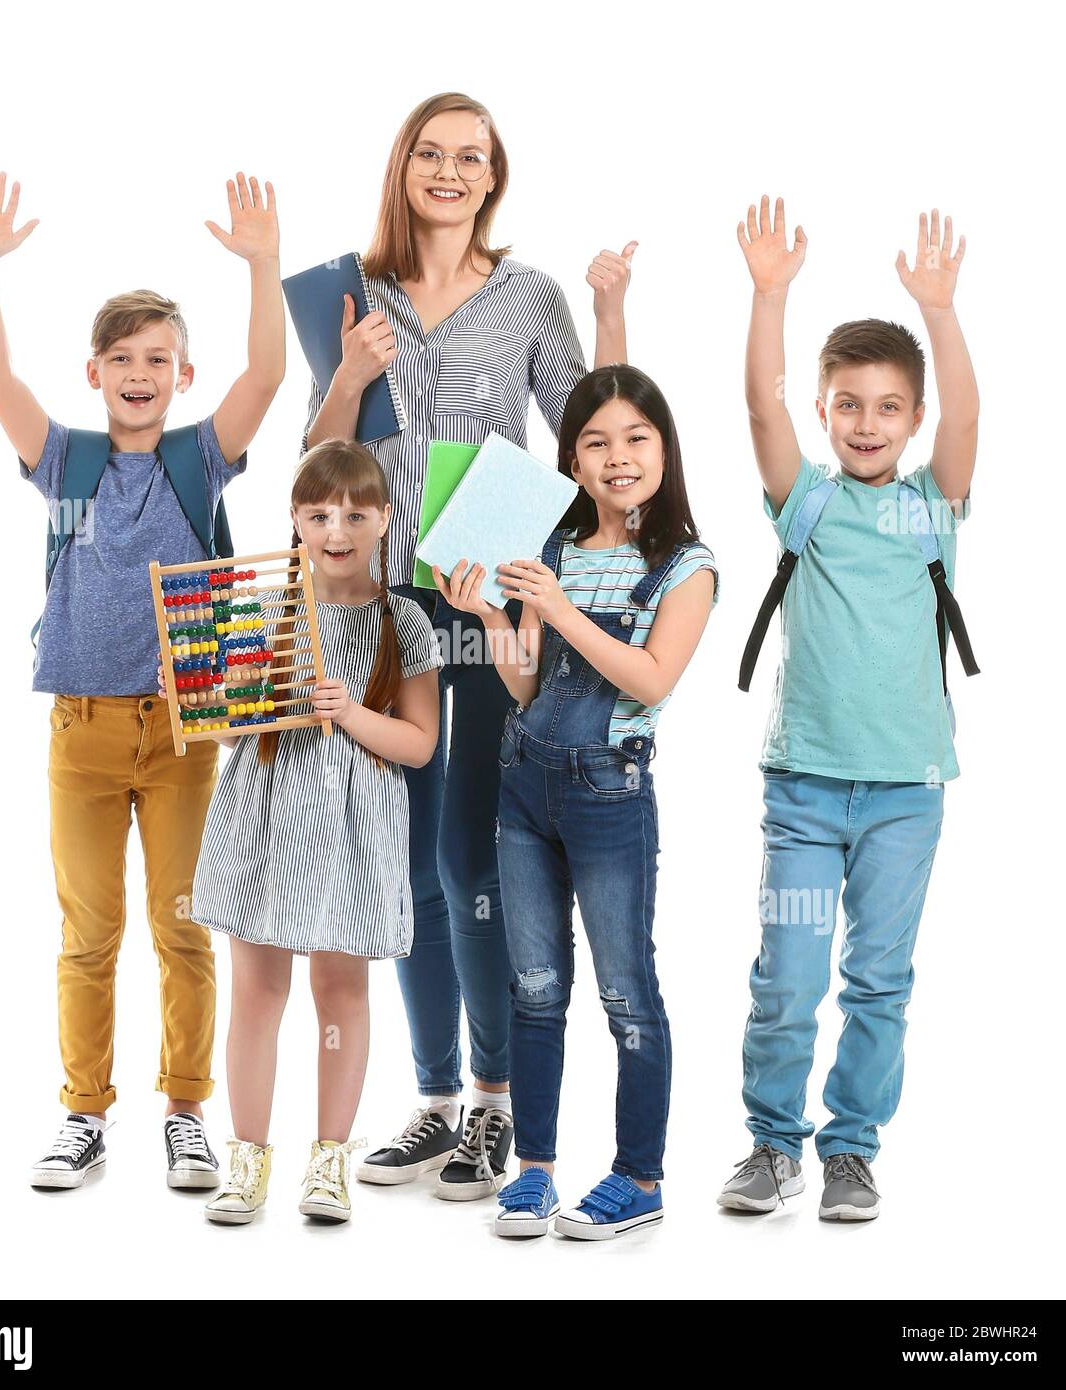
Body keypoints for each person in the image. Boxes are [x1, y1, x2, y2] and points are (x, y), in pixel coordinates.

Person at [305, 91, 637, 1198]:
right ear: (405, 169)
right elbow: (321, 467)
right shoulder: (356, 292)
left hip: (491, 604)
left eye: (472, 158)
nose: (450, 172)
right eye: (431, 155)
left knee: (474, 856)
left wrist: (609, 305)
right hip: (386, 608)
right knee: (404, 869)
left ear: (495, 176)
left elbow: (599, 426)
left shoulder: (530, 295)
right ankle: (435, 1097)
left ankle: (495, 1104)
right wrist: (352, 371)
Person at [0, 171, 286, 1191]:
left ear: (184, 376)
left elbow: (270, 375)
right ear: (96, 372)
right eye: (122, 359)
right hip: (84, 733)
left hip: (186, 730)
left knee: (183, 927)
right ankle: (82, 1114)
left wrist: (263, 265)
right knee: (89, 932)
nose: (139, 372)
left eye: (158, 358)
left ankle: (185, 1111)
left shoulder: (202, 459)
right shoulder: (63, 460)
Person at [718, 198, 978, 1221]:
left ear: (911, 418)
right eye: (847, 404)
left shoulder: (932, 507)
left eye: (887, 406)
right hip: (806, 791)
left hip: (908, 794)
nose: (866, 422)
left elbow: (969, 419)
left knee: (879, 978)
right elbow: (757, 409)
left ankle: (851, 1149)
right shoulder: (806, 502)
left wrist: (941, 314)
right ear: (826, 413)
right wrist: (769, 294)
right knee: (787, 972)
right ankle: (771, 1144)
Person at [435, 365, 718, 1238]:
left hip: (608, 795)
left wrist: (555, 607)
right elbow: (525, 688)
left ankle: (639, 1178)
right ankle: (534, 1171)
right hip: (524, 787)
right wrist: (490, 619)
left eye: (636, 438)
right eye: (595, 442)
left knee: (627, 993)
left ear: (665, 451)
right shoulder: (549, 548)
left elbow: (653, 677)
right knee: (535, 987)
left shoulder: (686, 566)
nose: (617, 457)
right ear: (572, 459)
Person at [193, 440, 441, 1225]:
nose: (338, 529)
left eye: (356, 514)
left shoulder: (404, 618)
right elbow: (228, 732)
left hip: (353, 826)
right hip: (267, 815)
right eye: (319, 514)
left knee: (340, 991)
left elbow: (419, 743)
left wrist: (351, 713)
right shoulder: (265, 608)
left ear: (384, 520)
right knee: (259, 994)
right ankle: (247, 1159)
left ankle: (329, 1160)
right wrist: (217, 700)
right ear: (296, 520)